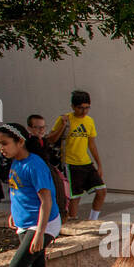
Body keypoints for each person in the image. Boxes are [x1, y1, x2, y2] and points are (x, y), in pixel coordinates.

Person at [0, 123, 64, 267]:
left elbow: (46, 200)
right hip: (26, 224)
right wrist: (14, 214)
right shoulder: (16, 162)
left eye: (4, 143)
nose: (0, 148)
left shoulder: (35, 165)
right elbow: (18, 192)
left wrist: (40, 233)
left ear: (20, 142)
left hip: (42, 225)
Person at [47, 90, 106, 221]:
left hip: (86, 162)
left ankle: (93, 220)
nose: (84, 111)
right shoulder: (65, 119)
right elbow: (51, 139)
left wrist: (99, 164)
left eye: (87, 108)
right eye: (80, 108)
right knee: (75, 196)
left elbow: (91, 144)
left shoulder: (90, 121)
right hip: (70, 163)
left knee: (101, 191)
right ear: (73, 107)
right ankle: (72, 221)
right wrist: (62, 125)